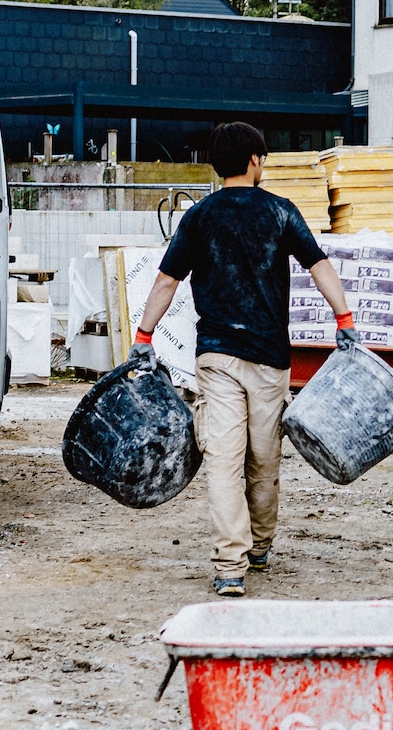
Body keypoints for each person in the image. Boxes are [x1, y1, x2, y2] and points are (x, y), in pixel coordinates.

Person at [134, 121, 354, 596]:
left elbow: (166, 282)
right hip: (270, 359)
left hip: (216, 358)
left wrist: (143, 335)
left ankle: (230, 565)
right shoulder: (280, 212)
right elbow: (319, 266)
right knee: (263, 458)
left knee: (224, 460)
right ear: (255, 161)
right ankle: (256, 548)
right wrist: (345, 321)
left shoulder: (198, 217)